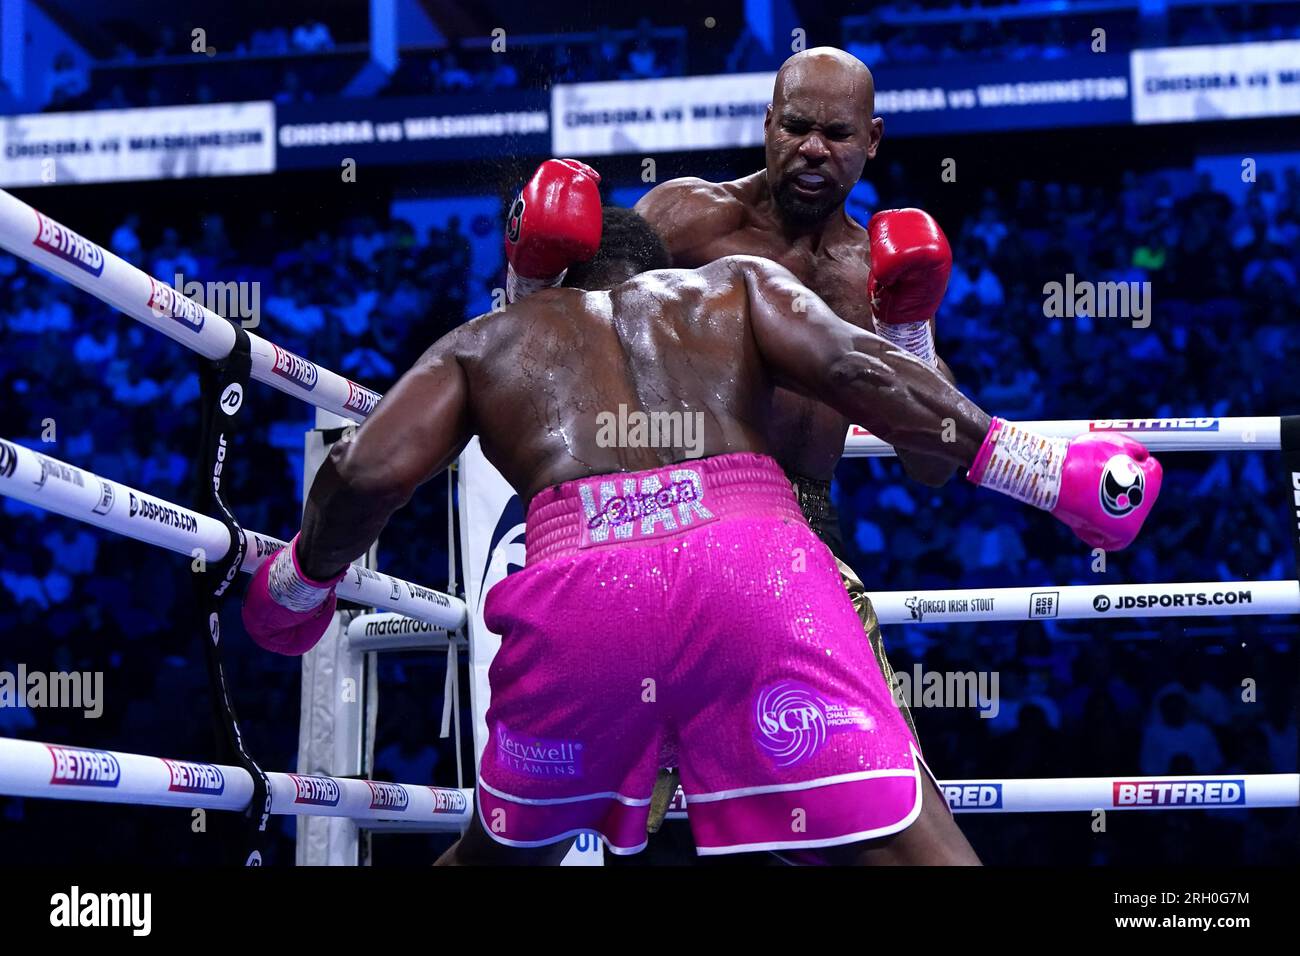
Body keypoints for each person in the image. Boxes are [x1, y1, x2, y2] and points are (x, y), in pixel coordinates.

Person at [242, 203, 1161, 864]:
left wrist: (298, 584)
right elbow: (858, 368)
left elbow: (366, 471)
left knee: (502, 851)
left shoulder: (492, 338)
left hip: (581, 591)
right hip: (753, 570)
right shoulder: (735, 287)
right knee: (908, 844)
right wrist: (1039, 466)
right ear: (652, 262)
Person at [508, 47, 962, 848]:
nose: (813, 148)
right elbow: (553, 343)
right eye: (795, 127)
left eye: (837, 133)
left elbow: (933, 461)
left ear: (874, 140)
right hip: (652, 517)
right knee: (574, 824)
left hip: (797, 534)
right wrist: (532, 273)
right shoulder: (687, 219)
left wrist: (908, 329)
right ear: (766, 125)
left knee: (883, 803)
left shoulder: (873, 276)